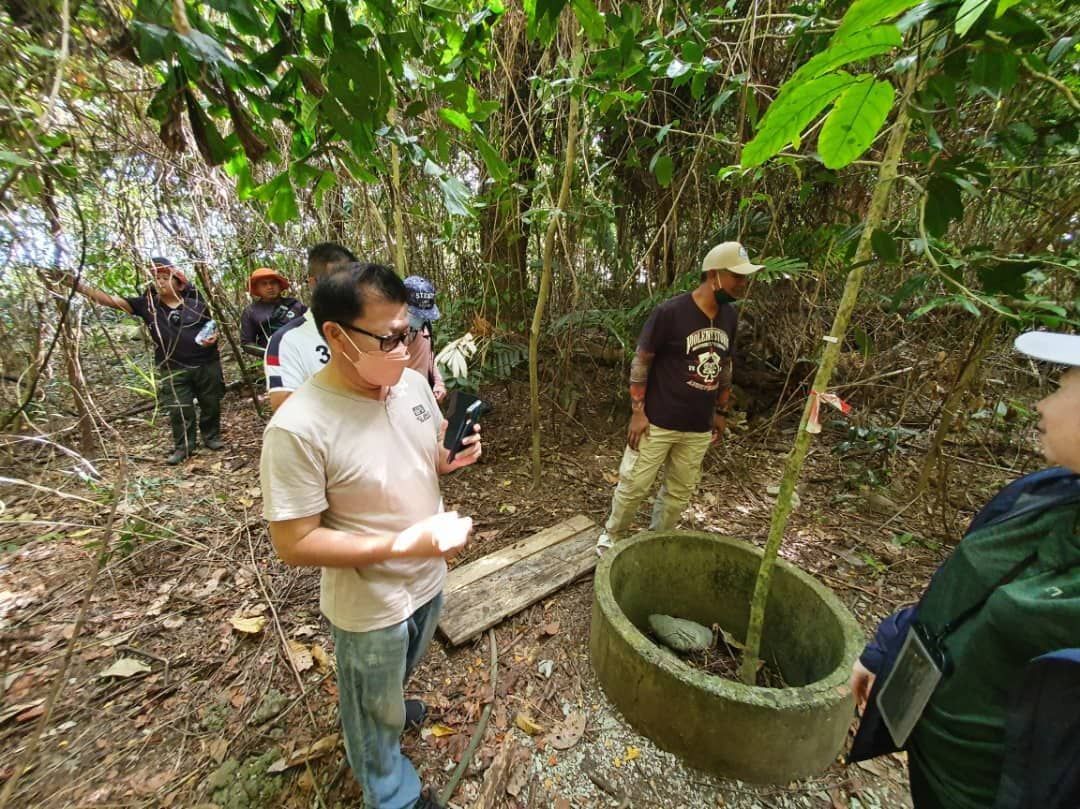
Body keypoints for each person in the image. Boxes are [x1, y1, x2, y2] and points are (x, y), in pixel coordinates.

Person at [259, 262, 482, 809]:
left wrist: (447, 459)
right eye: (389, 337)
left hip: (427, 578)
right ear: (335, 334)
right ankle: (390, 792)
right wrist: (403, 544)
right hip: (369, 600)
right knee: (365, 706)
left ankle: (388, 704)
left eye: (409, 333)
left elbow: (423, 452)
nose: (406, 350)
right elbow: (294, 543)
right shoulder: (298, 427)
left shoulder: (409, 383)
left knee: (394, 675)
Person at [848, 330, 1080, 809]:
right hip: (935, 756)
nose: (1042, 404)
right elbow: (960, 588)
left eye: (1064, 387)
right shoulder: (1043, 494)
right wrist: (890, 648)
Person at [595, 241, 762, 554]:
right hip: (657, 420)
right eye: (737, 276)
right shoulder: (670, 312)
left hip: (697, 426)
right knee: (634, 486)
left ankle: (656, 542)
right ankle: (612, 537)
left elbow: (725, 365)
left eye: (744, 277)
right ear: (714, 275)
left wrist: (721, 412)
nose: (743, 283)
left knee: (678, 493)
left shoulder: (730, 317)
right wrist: (637, 411)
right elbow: (642, 360)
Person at [59, 256, 224, 464]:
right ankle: (184, 447)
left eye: (165, 277)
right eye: (156, 278)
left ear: (178, 282)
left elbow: (212, 325)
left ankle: (211, 437)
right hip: (172, 367)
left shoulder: (196, 301)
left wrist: (213, 338)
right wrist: (77, 285)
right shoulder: (147, 305)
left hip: (206, 363)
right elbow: (110, 301)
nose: (160, 282)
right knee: (179, 409)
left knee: (211, 403)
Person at [265, 242, 356, 411]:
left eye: (351, 280)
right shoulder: (286, 341)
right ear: (314, 283)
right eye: (334, 282)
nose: (345, 289)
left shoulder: (368, 326)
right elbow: (283, 406)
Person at [239, 267, 306, 358]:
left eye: (273, 283)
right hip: (276, 362)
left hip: (303, 354)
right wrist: (270, 354)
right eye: (264, 284)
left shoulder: (295, 304)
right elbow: (247, 343)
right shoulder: (250, 312)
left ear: (279, 285)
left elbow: (313, 326)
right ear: (257, 288)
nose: (269, 287)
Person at [403, 275, 447, 402]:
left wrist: (438, 382)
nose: (421, 317)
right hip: (403, 399)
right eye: (416, 314)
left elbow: (429, 355)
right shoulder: (390, 336)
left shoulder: (425, 324)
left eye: (424, 315)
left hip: (423, 393)